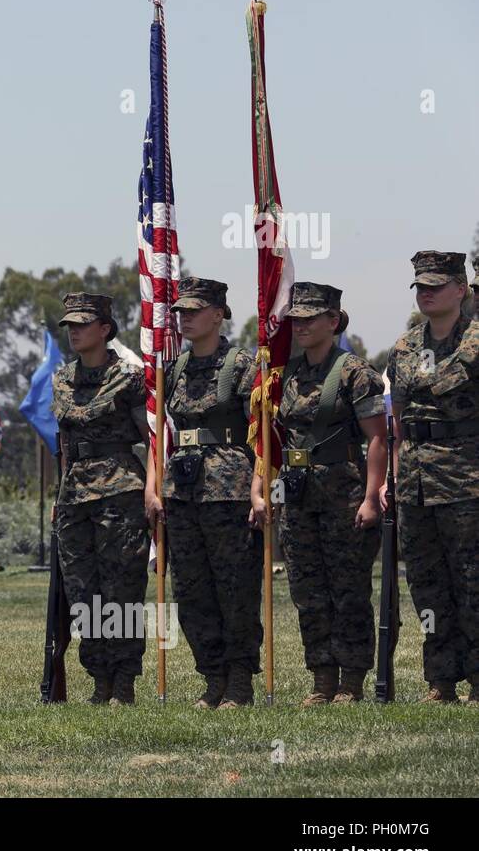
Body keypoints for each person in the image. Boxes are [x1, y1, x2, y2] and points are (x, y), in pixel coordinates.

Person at [250, 282, 386, 706]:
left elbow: (378, 439)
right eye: (297, 319)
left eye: (311, 318)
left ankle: (352, 680)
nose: (302, 326)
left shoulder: (354, 372)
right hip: (296, 494)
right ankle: (322, 678)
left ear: (333, 321)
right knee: (308, 591)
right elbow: (274, 438)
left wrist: (370, 496)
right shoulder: (285, 375)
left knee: (347, 589)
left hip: (343, 490)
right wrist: (264, 489)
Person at [144, 278, 262, 708]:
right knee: (191, 590)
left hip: (228, 491)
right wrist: (153, 484)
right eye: (181, 311)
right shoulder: (172, 370)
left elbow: (264, 436)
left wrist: (258, 487)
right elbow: (162, 434)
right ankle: (212, 677)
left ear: (218, 314)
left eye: (195, 310)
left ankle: (239, 680)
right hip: (183, 491)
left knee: (235, 588)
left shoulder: (244, 367)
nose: (185, 317)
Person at [386, 251, 479, 704]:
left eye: (436, 286)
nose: (426, 293)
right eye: (420, 286)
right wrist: (394, 476)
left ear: (460, 289)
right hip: (417, 483)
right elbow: (396, 421)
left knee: (472, 581)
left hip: (468, 480)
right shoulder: (404, 347)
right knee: (426, 584)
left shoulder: (476, 341)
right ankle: (440, 680)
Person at [52, 293, 150, 705]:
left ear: (105, 329)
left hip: (119, 489)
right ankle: (98, 678)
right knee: (83, 592)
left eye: (82, 324)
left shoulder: (129, 378)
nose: (74, 331)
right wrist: (59, 494)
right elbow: (63, 441)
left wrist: (152, 489)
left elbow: (150, 436)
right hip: (74, 494)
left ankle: (123, 681)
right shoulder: (62, 378)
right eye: (69, 325)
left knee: (121, 588)